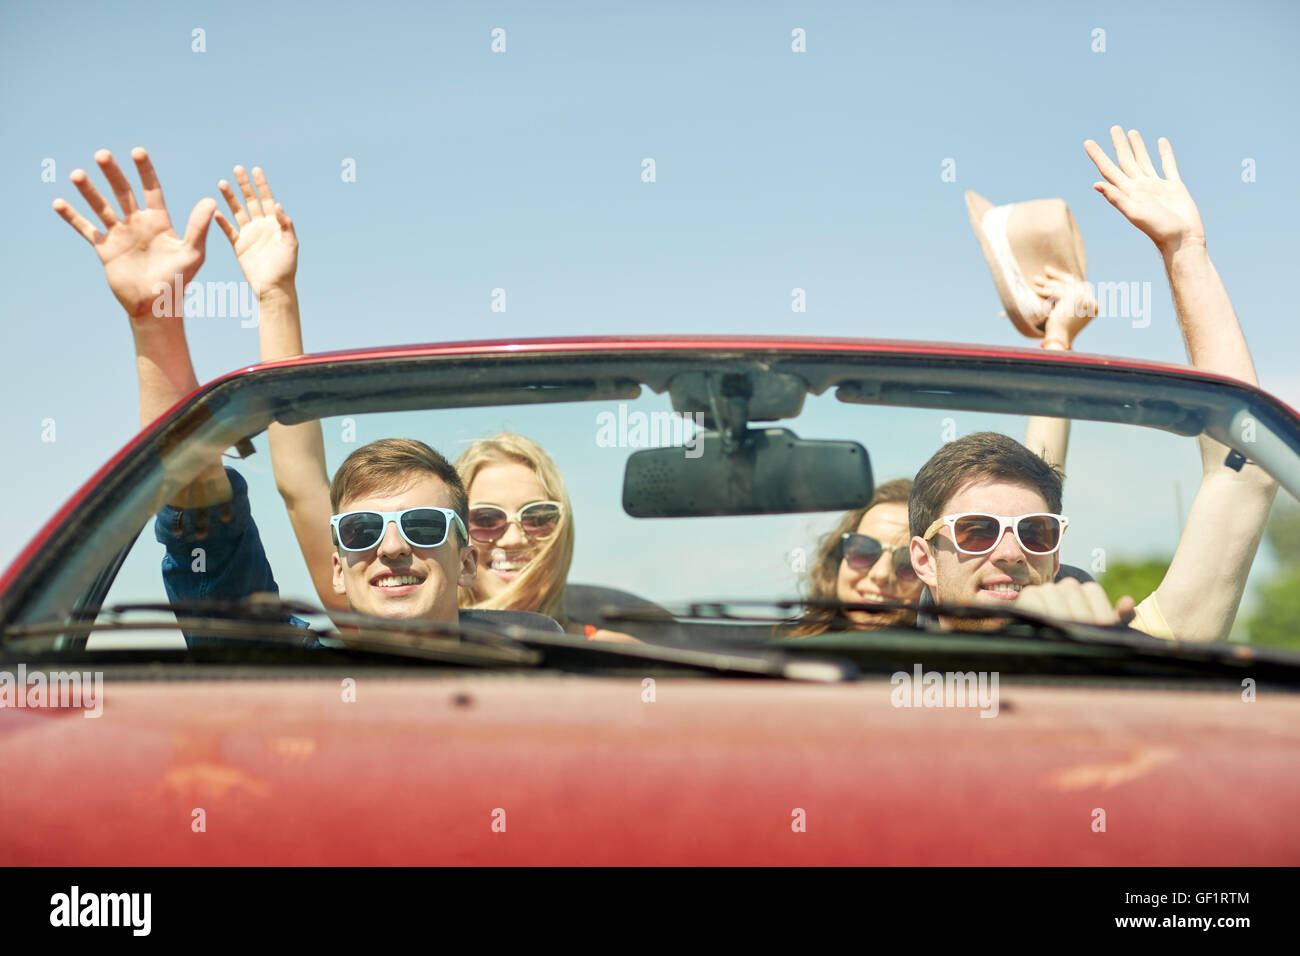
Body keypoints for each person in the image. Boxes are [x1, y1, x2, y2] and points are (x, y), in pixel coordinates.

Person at [52, 148, 559, 643]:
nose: (394, 547)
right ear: (338, 567)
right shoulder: (297, 680)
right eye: (362, 531)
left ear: (465, 560)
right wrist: (155, 321)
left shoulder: (559, 685)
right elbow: (198, 503)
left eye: (424, 526)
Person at [907, 127, 1279, 641]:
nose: (1012, 552)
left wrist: (1184, 251)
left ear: (1055, 554)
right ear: (924, 558)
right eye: (976, 532)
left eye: (1037, 533)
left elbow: (1248, 466)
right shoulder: (865, 686)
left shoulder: (1127, 654)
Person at [791, 257, 1098, 636]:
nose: (881, 574)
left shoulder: (937, 643)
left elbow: (1029, 484)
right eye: (863, 551)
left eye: (903, 562)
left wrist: (1060, 339)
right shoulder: (772, 660)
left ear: (927, 568)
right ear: (837, 558)